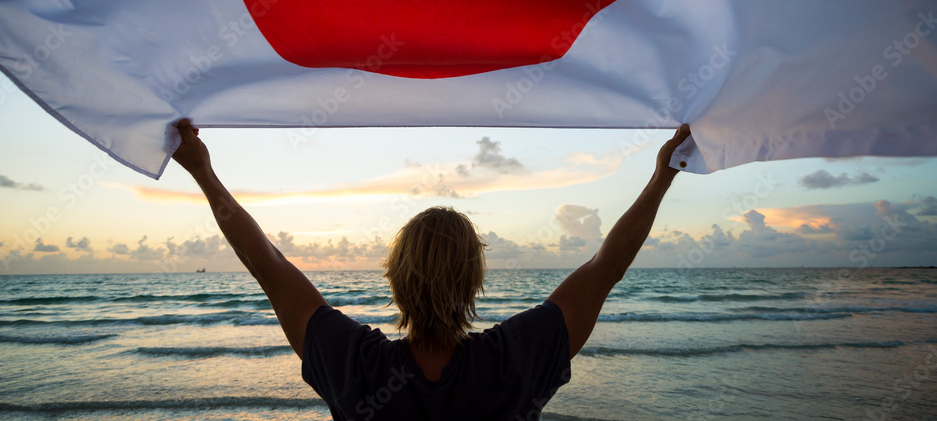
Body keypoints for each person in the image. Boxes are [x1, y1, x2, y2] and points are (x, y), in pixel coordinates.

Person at [171, 119, 691, 420]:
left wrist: (204, 172)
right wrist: (663, 176)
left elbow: (267, 263)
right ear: (474, 282)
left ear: (394, 281)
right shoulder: (512, 364)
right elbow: (606, 267)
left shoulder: (357, 367)